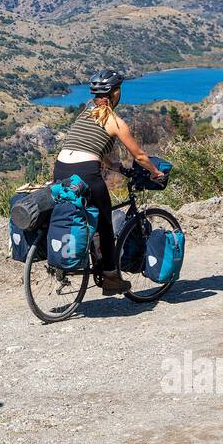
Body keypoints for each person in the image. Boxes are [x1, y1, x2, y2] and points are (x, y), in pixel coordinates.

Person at [53, 70, 165, 293]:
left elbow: (91, 146)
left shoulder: (85, 112)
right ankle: (111, 278)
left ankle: (72, 258)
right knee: (105, 223)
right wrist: (155, 172)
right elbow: (140, 156)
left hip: (60, 168)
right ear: (115, 93)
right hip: (86, 172)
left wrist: (115, 166)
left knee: (77, 213)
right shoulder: (114, 121)